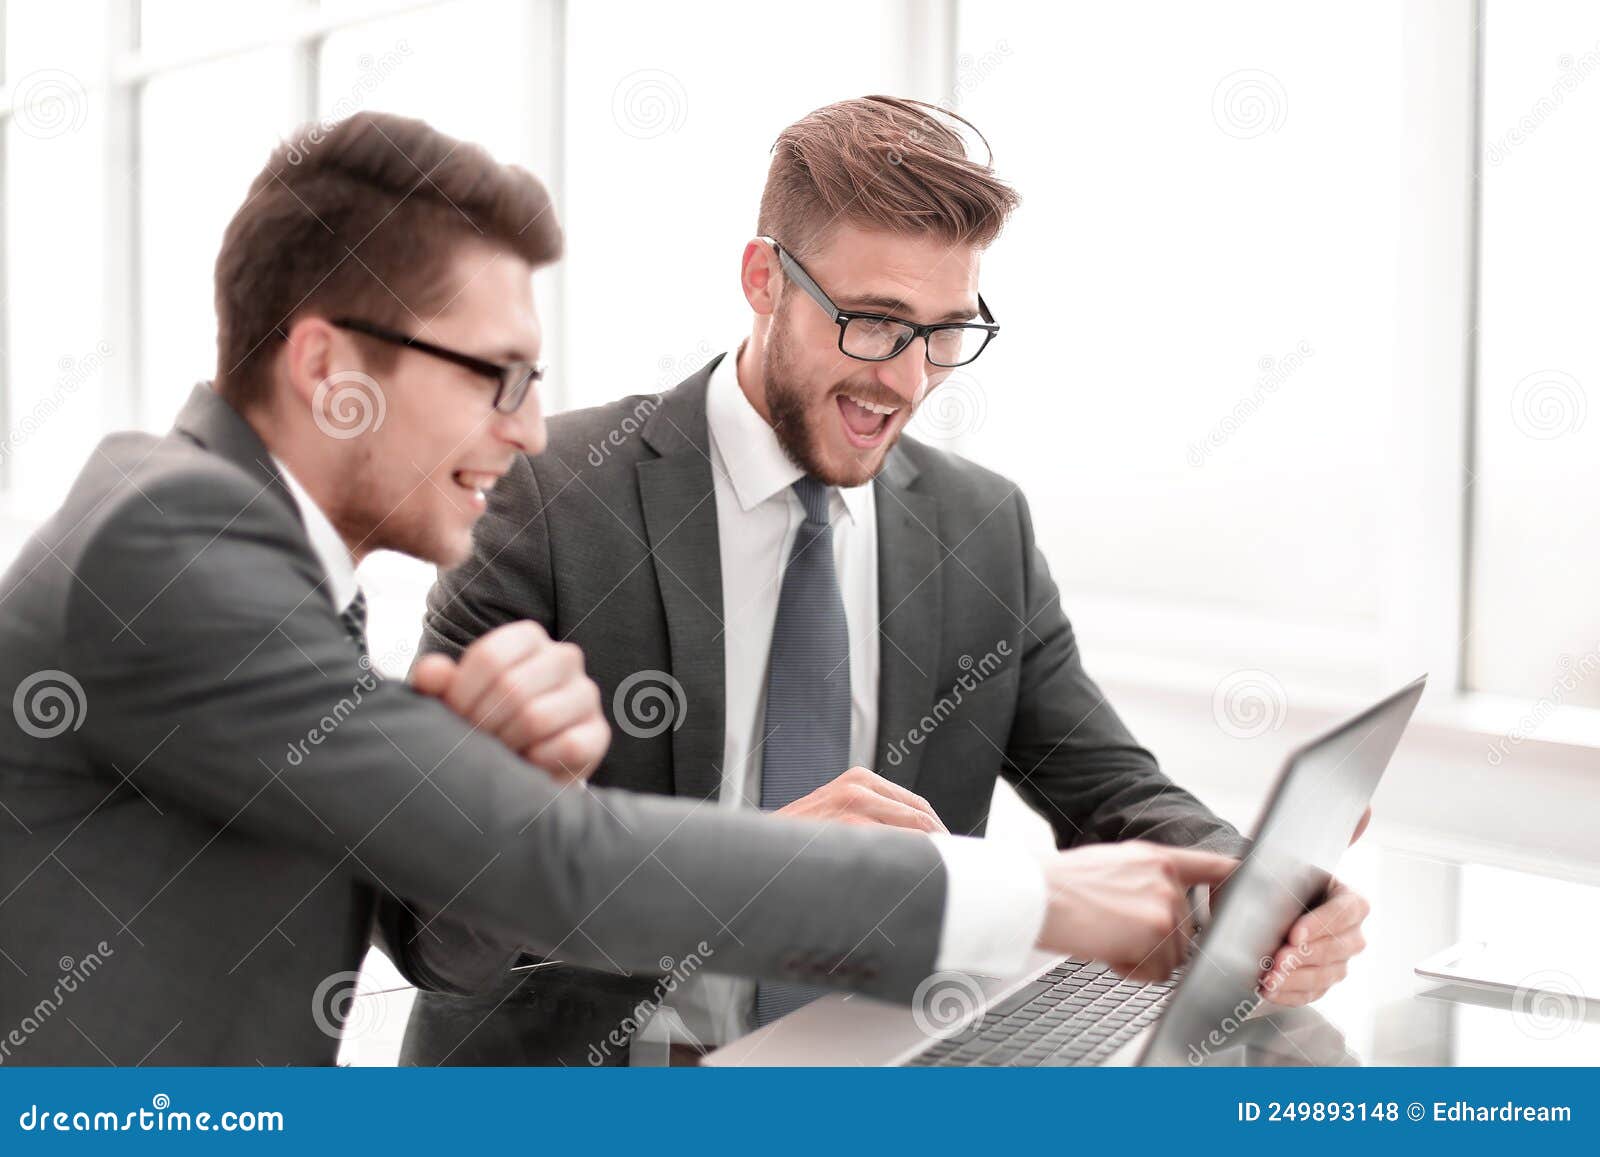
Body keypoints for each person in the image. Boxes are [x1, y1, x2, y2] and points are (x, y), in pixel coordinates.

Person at [0, 111, 1233, 1066]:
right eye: (494, 374)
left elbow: (452, 851)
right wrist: (1034, 894)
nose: (530, 428)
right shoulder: (174, 543)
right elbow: (553, 871)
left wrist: (467, 784)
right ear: (327, 365)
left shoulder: (248, 550)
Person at [400, 97, 1369, 1067]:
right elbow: (435, 919)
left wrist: (1248, 891)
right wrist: (757, 870)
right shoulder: (545, 493)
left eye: (946, 332)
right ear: (763, 279)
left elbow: (1108, 786)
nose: (907, 381)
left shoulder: (979, 526)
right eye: (874, 323)